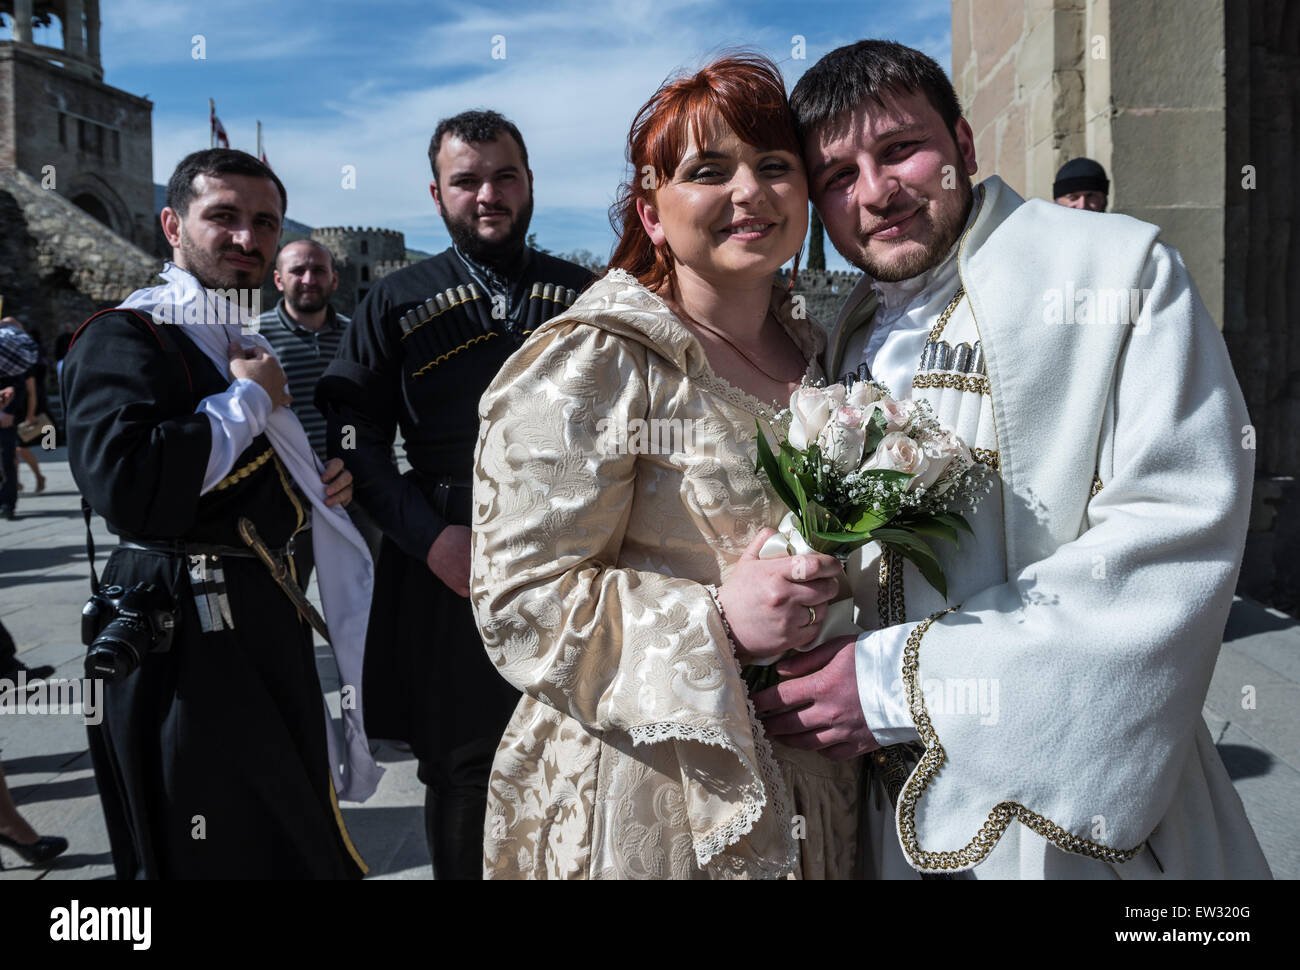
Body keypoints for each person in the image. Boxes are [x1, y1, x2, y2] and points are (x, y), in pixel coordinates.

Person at [749, 38, 1269, 878]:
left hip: (1064, 808)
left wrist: (890, 687)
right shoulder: (846, 330)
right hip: (887, 815)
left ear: (964, 144)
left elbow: (1172, 535)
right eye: (837, 175)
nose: (875, 193)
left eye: (899, 149)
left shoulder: (1118, 273)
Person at [470, 53, 855, 879]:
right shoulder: (597, 358)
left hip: (820, 777)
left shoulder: (825, 356)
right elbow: (518, 598)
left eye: (774, 166)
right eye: (708, 171)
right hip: (651, 790)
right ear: (651, 211)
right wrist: (714, 621)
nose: (749, 192)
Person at [61, 148, 382, 879]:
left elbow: (238, 480)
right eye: (224, 218)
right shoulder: (126, 334)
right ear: (173, 225)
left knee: (288, 833)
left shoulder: (238, 339)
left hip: (263, 615)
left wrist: (310, 486)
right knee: (206, 842)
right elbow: (128, 483)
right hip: (182, 628)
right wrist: (248, 403)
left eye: (263, 222)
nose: (247, 237)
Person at [317, 109, 593, 879]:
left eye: (504, 176)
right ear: (436, 193)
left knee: (579, 747)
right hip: (446, 552)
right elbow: (353, 436)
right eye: (466, 180)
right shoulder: (394, 301)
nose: (487, 195)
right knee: (465, 764)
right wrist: (429, 538)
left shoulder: (588, 294)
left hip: (573, 554)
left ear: (529, 183)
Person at [255, 239, 352, 581]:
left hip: (353, 493)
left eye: (318, 270)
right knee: (286, 603)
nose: (309, 278)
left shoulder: (356, 336)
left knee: (368, 603)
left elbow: (365, 413)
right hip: (283, 499)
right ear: (278, 280)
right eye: (298, 270)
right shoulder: (254, 338)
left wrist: (353, 459)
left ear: (334, 279)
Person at [15, 323, 49, 494]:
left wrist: (30, 414)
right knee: (8, 449)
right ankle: (14, 482)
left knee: (20, 448)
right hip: (8, 409)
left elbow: (32, 392)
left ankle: (38, 476)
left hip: (22, 409)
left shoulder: (24, 362)